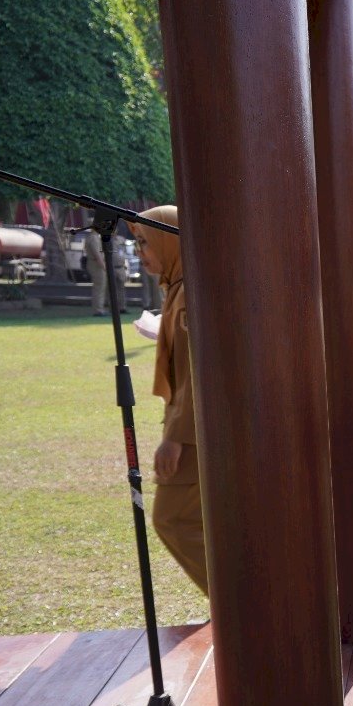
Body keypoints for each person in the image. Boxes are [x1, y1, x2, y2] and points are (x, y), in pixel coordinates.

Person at [135, 206, 209, 596]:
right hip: (196, 426)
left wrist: (175, 437)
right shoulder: (180, 288)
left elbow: (200, 372)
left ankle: (245, 607)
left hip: (195, 430)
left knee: (172, 518)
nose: (139, 253)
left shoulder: (189, 293)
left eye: (145, 242)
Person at [85, 229, 108, 316]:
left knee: (100, 288)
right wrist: (104, 267)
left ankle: (100, 308)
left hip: (95, 264)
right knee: (99, 288)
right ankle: (98, 310)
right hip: (96, 265)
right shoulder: (93, 238)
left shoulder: (92, 237)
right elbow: (97, 255)